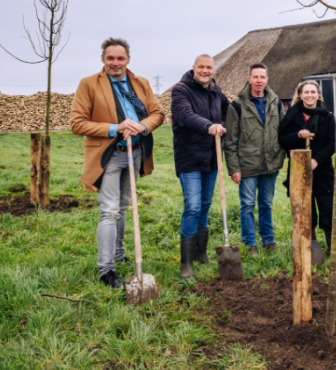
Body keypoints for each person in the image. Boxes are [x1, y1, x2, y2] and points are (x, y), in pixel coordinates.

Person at [70, 38, 165, 288]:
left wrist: (141, 126)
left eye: (120, 58)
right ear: (103, 59)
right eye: (110, 58)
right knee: (110, 211)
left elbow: (157, 113)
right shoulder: (89, 84)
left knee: (123, 207)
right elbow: (77, 123)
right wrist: (116, 127)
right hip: (108, 155)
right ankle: (106, 270)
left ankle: (119, 253)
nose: (115, 62)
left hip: (135, 152)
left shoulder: (141, 83)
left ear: (128, 60)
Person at [170, 54, 229, 278]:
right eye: (201, 67)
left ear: (213, 69)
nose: (205, 71)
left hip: (211, 157)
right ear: (193, 68)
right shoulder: (181, 90)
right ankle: (186, 264)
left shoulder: (215, 91)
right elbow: (184, 116)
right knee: (193, 207)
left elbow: (228, 109)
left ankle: (200, 253)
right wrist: (208, 126)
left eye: (209, 67)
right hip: (190, 158)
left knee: (204, 205)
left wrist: (224, 124)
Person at [224, 63, 286, 254]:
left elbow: (283, 131)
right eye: (255, 77)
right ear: (249, 79)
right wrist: (234, 168)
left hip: (270, 163)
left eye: (262, 77)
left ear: (267, 79)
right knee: (247, 205)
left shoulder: (275, 103)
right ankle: (250, 243)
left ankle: (268, 240)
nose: (259, 81)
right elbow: (230, 140)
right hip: (247, 165)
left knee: (266, 204)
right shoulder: (237, 106)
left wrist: (281, 155)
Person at [278, 81, 336, 257]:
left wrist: (317, 160)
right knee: (305, 212)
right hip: (299, 171)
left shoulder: (327, 117)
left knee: (327, 210)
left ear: (318, 94)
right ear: (300, 94)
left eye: (313, 92)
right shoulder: (291, 116)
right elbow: (282, 140)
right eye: (306, 92)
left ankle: (331, 248)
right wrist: (298, 134)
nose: (310, 95)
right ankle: (310, 247)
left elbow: (331, 144)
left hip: (322, 171)